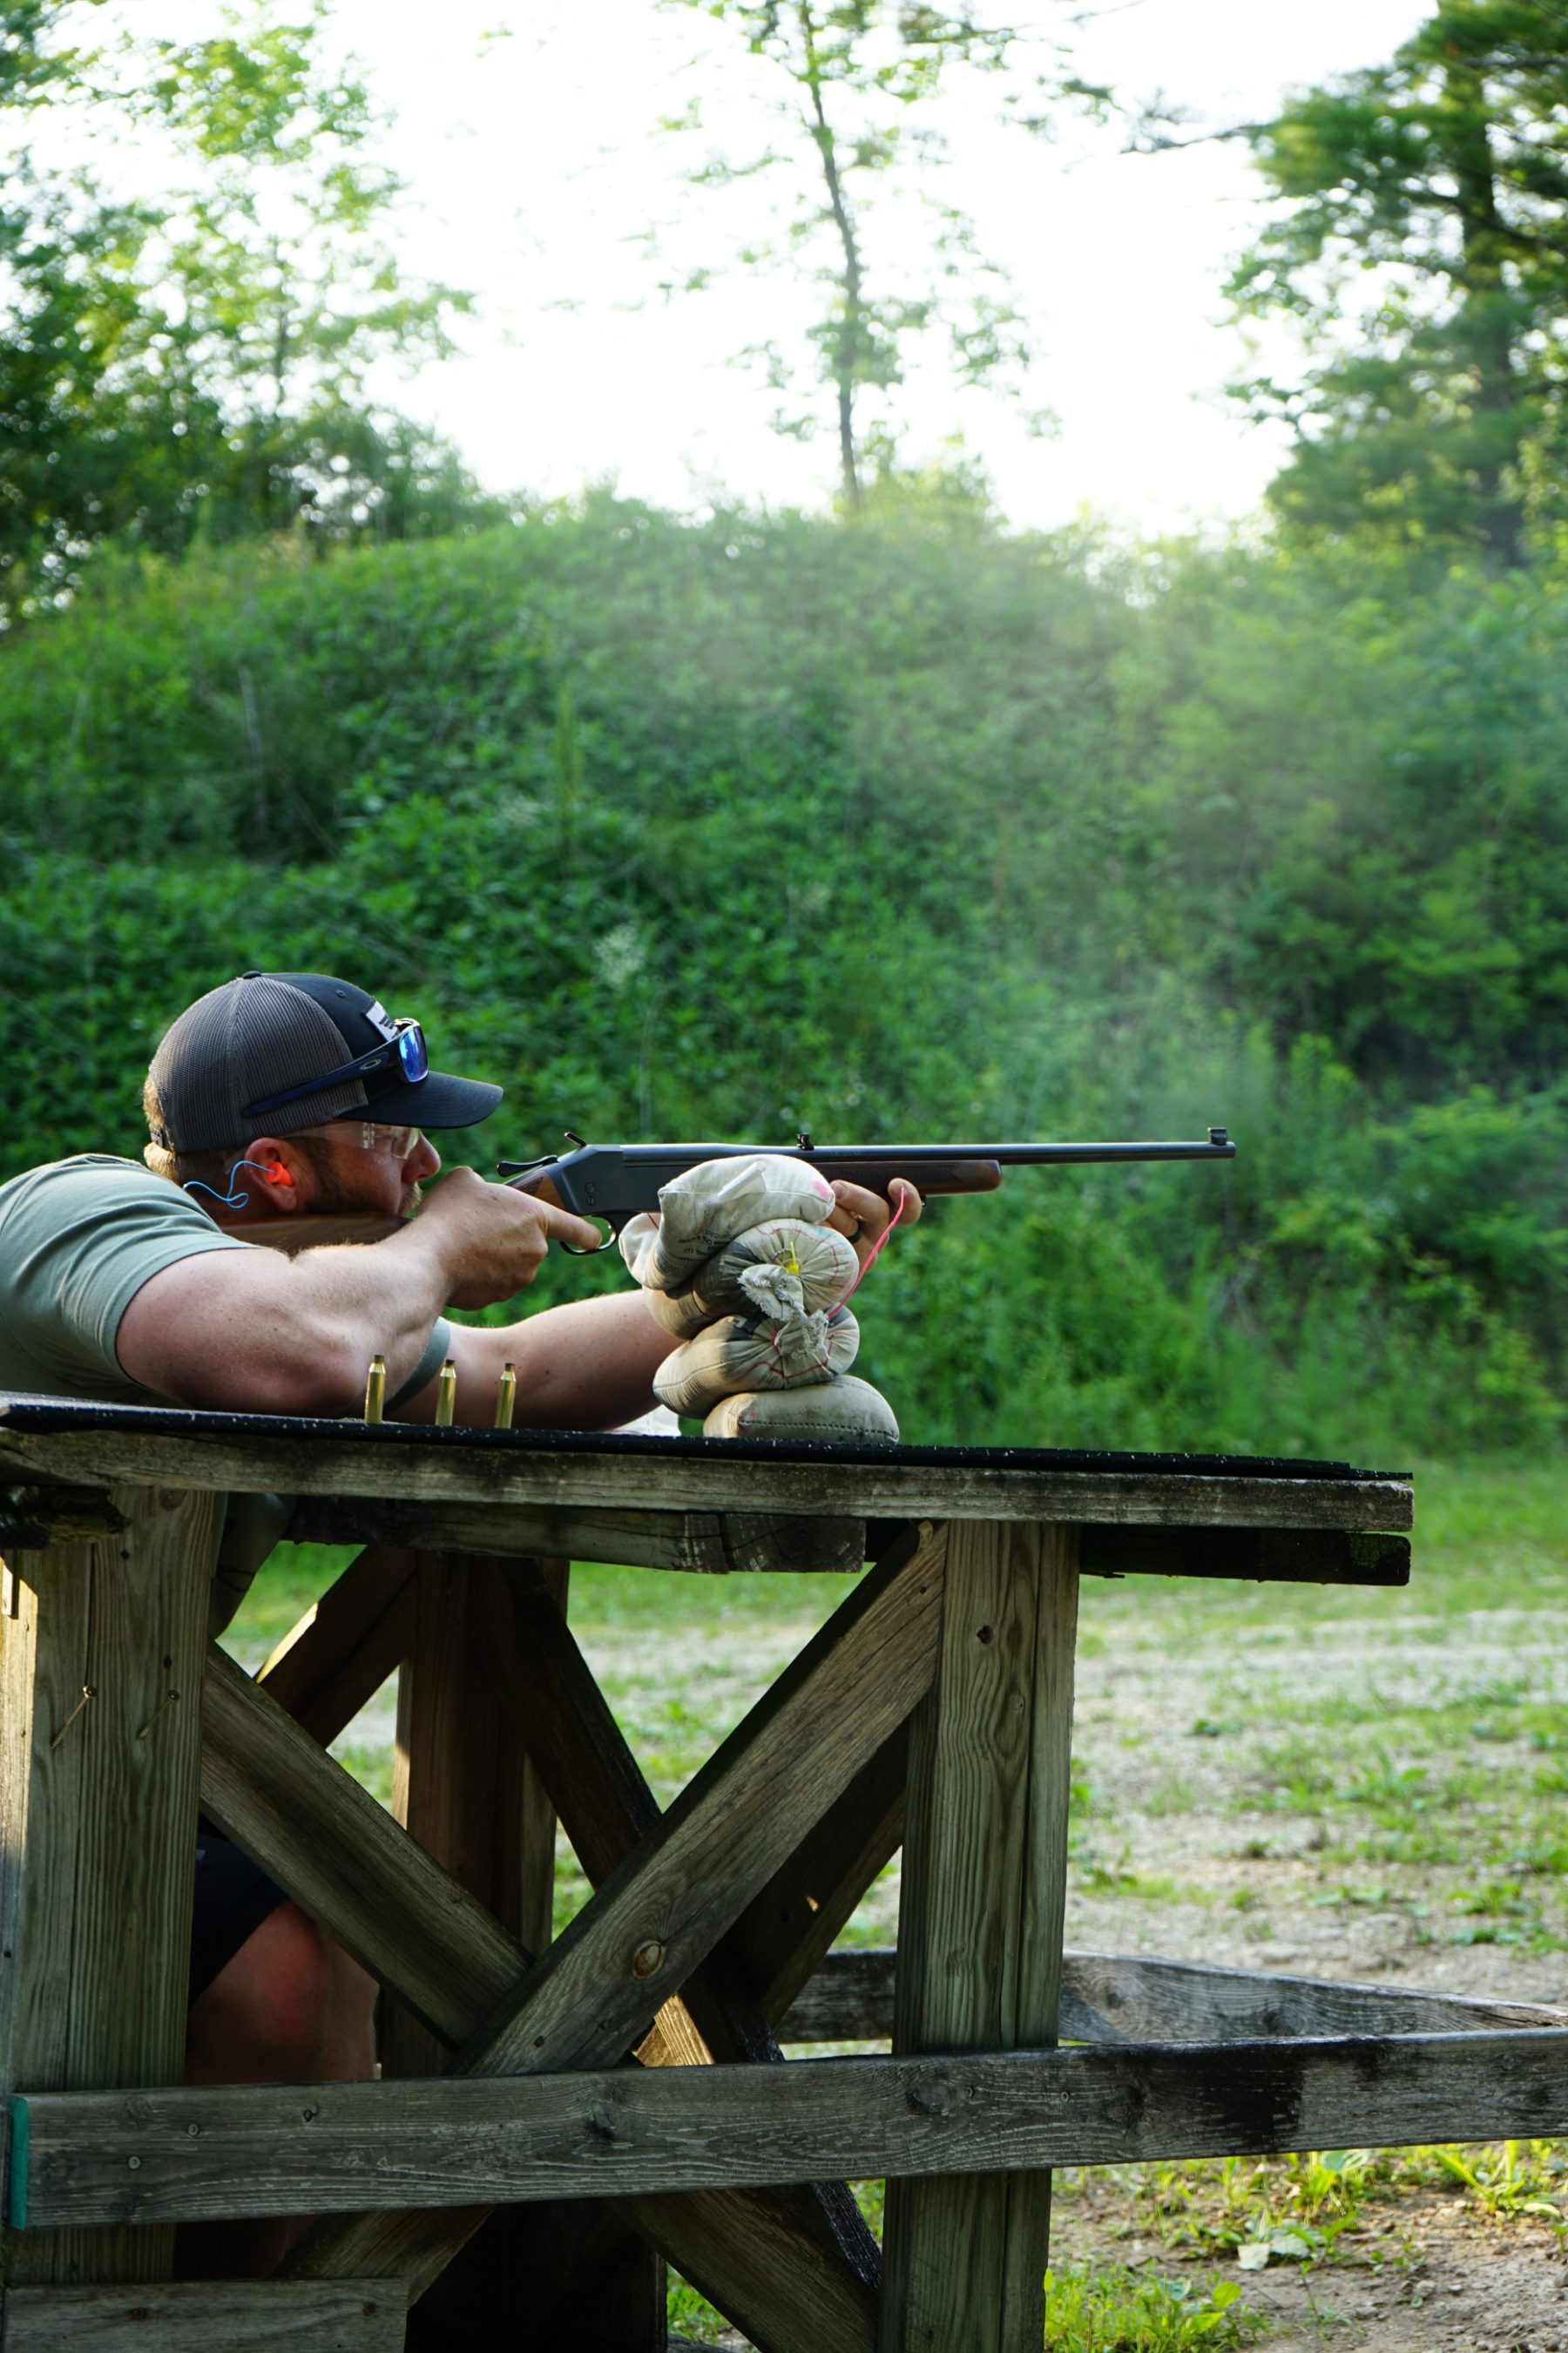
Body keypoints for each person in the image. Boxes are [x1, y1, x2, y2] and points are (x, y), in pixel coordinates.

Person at [0, 968, 920, 2272]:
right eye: (390, 1140)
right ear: (267, 1168)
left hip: (77, 1762)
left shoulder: (316, 1296)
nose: (433, 1162)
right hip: (27, 1782)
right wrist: (433, 1248)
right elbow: (297, 1348)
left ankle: (288, 2308)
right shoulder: (78, 1212)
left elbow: (509, 1374)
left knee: (321, 1940)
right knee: (299, 1954)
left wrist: (727, 1287)